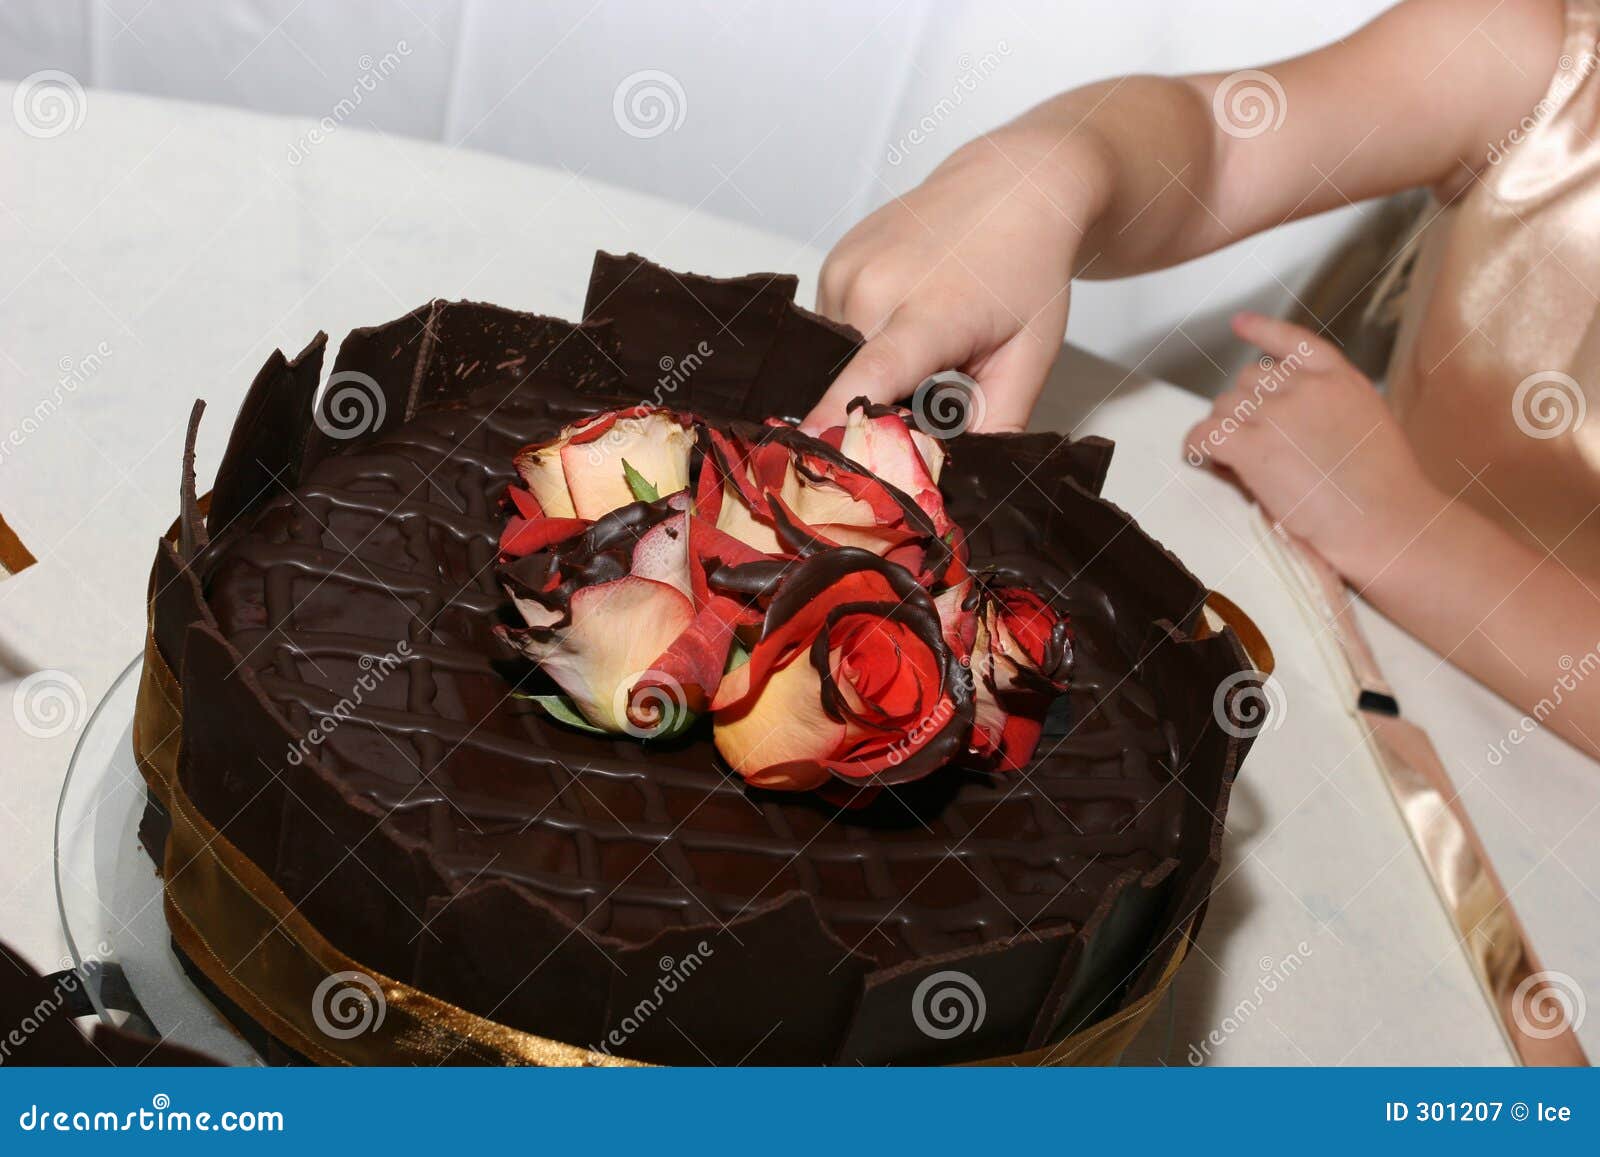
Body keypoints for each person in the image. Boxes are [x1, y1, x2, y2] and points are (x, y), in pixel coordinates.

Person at [804, 0, 1600, 761]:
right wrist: (1054, 171)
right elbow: (1223, 145)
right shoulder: (1537, 56)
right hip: (1329, 637)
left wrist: (1402, 527)